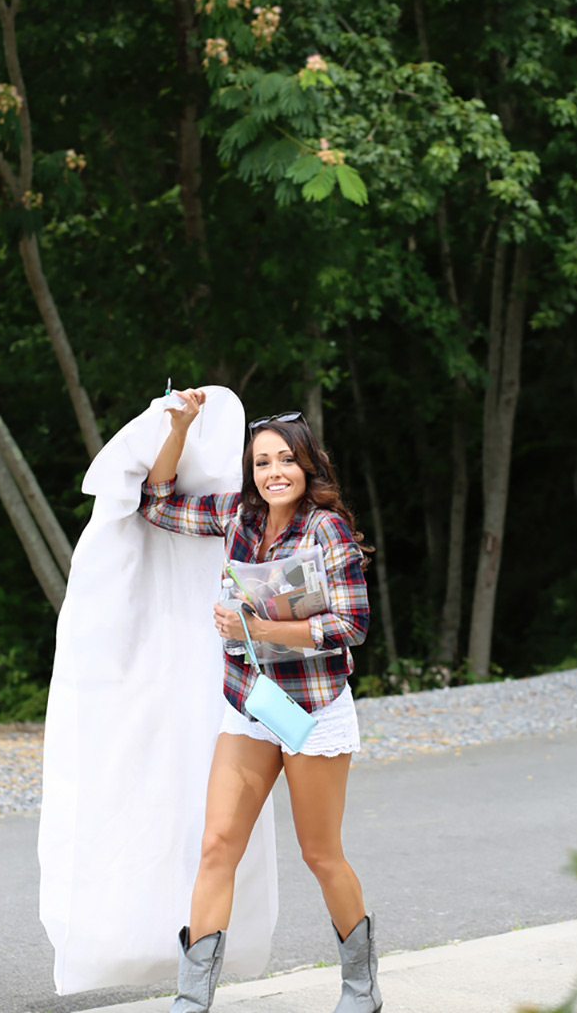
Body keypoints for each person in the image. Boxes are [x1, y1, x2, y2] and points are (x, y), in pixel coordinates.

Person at [138, 389, 383, 1013]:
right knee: (217, 844)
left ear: (307, 465)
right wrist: (180, 427)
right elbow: (156, 502)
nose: (274, 472)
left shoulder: (325, 528)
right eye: (262, 462)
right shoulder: (238, 517)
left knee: (320, 854)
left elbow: (351, 625)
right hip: (250, 703)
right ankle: (192, 998)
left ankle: (361, 987)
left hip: (313, 709)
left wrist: (259, 626)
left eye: (286, 460)